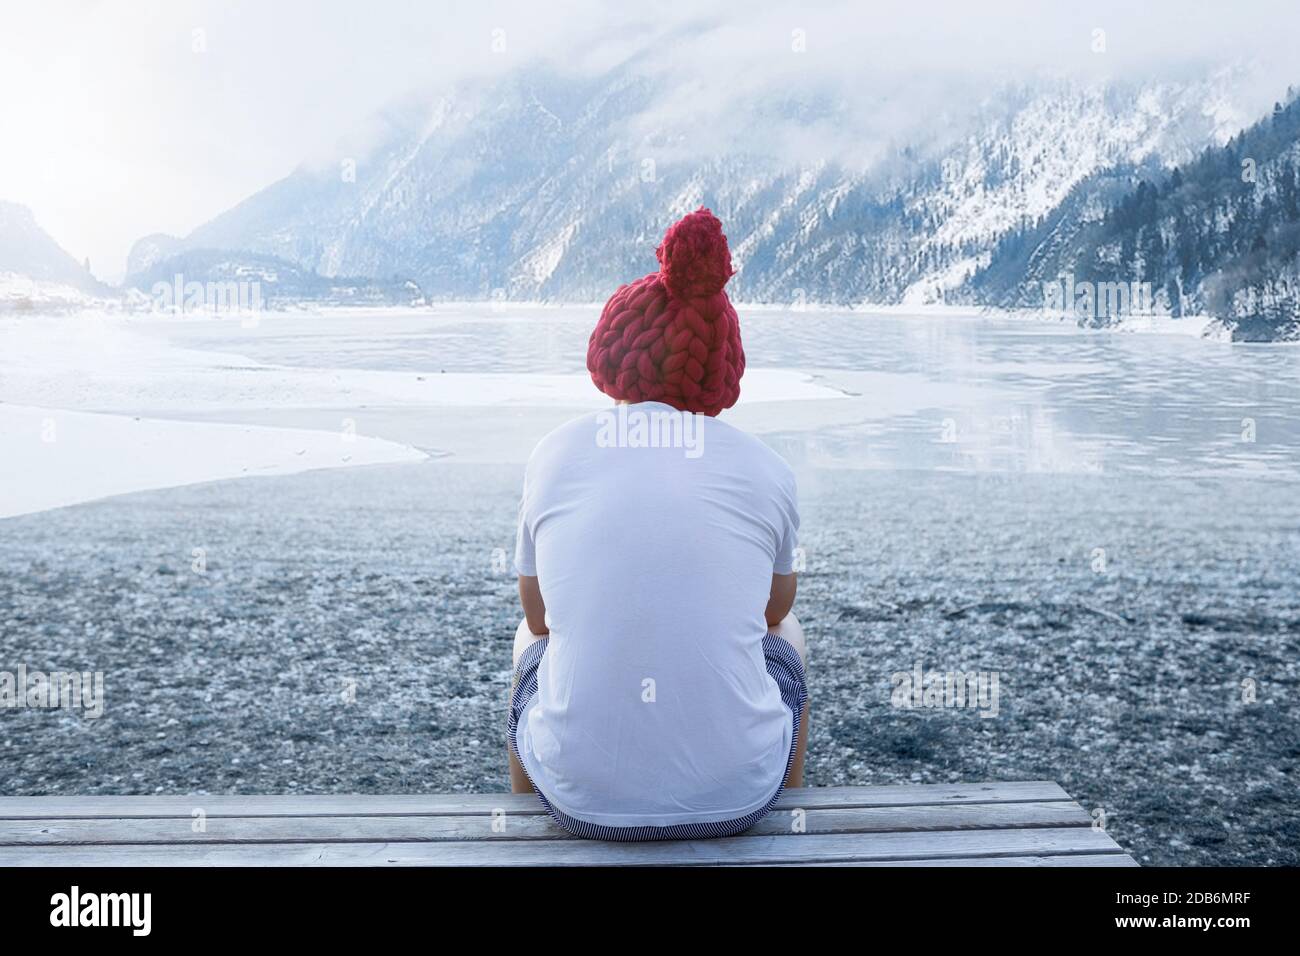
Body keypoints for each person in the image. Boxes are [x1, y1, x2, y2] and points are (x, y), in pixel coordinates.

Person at [506, 207, 807, 840]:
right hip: (736, 800)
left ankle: (532, 829)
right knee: (792, 635)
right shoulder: (767, 469)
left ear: (614, 353)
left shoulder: (555, 453)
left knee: (526, 643)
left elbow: (539, 620)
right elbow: (775, 606)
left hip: (580, 806)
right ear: (720, 367)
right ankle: (791, 823)